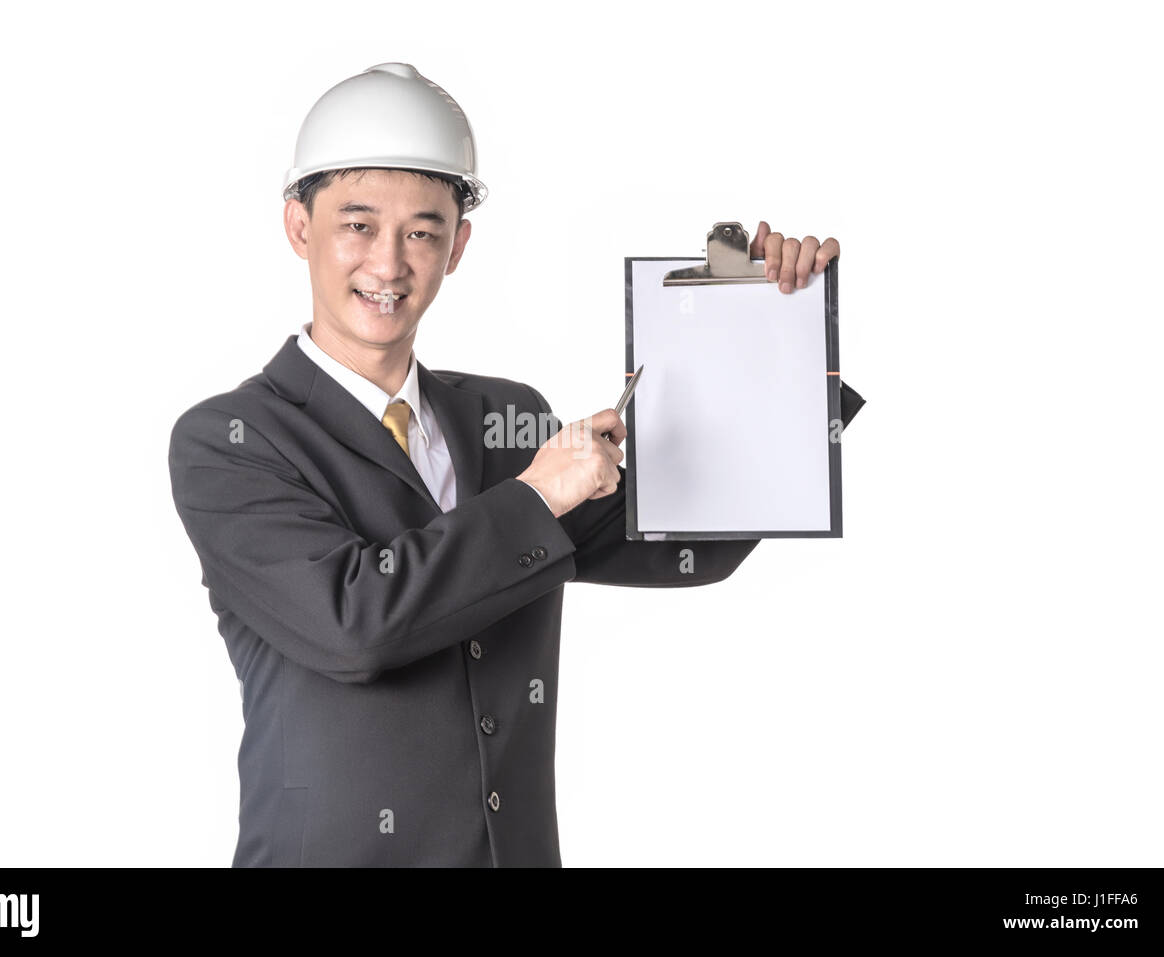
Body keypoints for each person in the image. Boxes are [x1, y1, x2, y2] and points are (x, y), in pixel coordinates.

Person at [167, 63, 865, 866]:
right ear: (300, 226)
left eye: (423, 231)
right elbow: (352, 625)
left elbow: (692, 545)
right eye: (358, 225)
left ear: (458, 244)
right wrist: (537, 496)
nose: (390, 263)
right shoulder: (231, 439)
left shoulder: (505, 417)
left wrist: (768, 334)